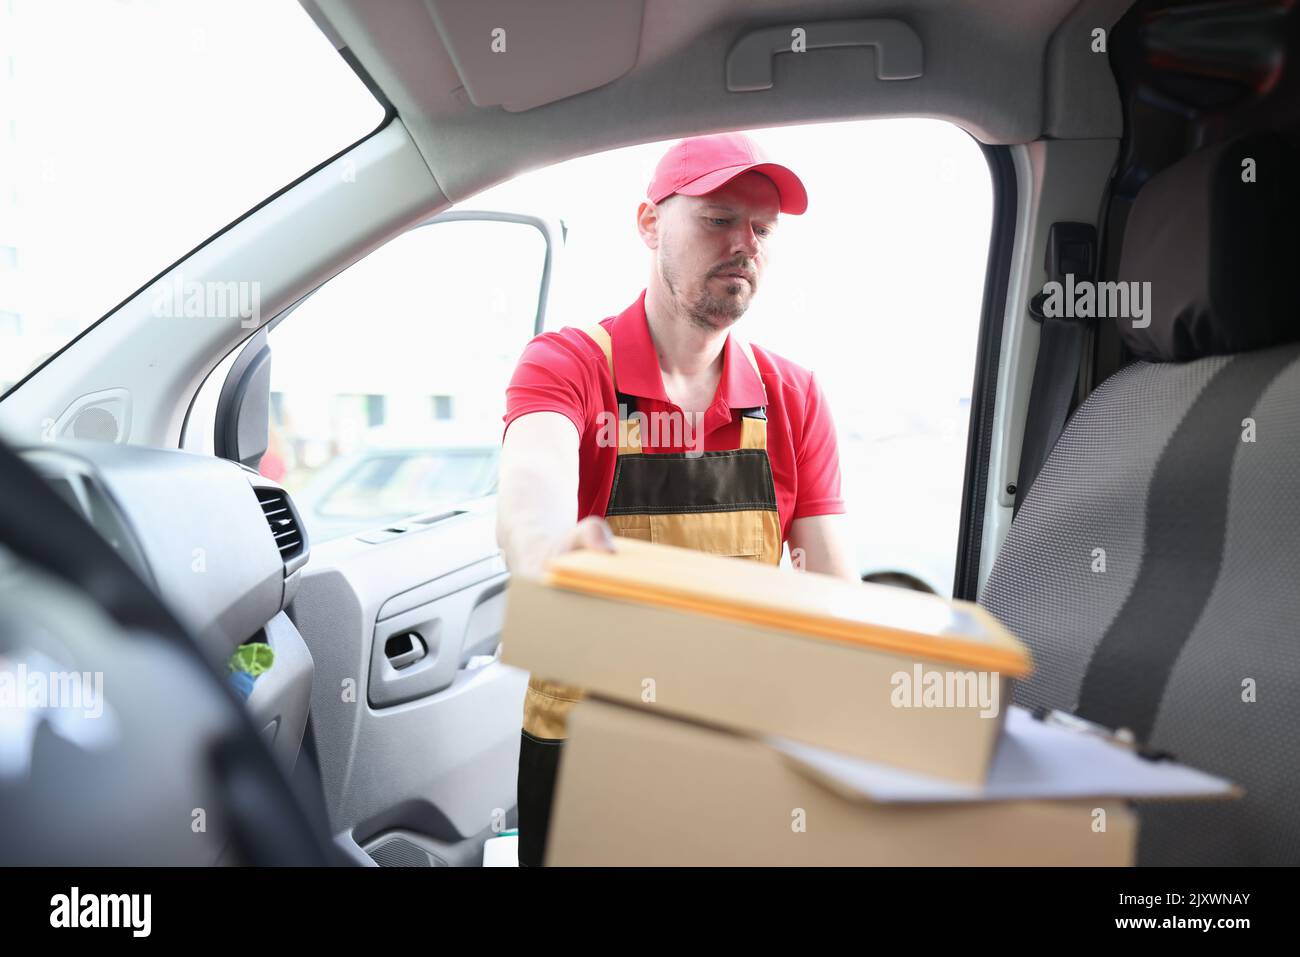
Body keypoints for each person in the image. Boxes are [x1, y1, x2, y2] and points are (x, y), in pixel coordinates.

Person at [496, 131, 857, 866]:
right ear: (650, 223)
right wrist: (550, 554)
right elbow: (530, 506)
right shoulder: (567, 366)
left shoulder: (792, 395)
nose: (745, 244)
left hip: (736, 746)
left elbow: (833, 588)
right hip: (587, 756)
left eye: (761, 229)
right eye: (719, 218)